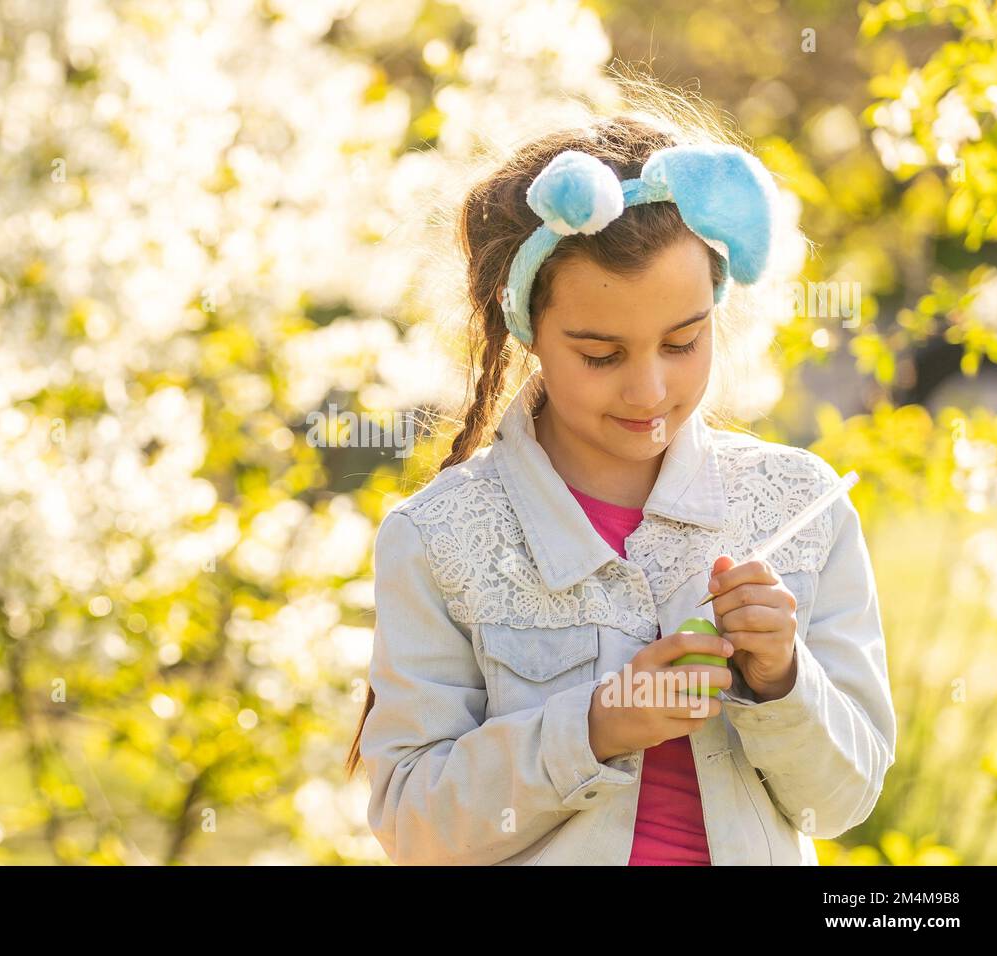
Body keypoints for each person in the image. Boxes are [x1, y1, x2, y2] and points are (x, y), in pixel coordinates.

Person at [342, 106, 896, 865]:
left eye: (682, 343)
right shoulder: (439, 538)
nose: (648, 390)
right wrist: (596, 726)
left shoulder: (798, 505)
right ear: (528, 327)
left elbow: (840, 803)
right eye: (601, 355)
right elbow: (416, 830)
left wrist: (782, 677)